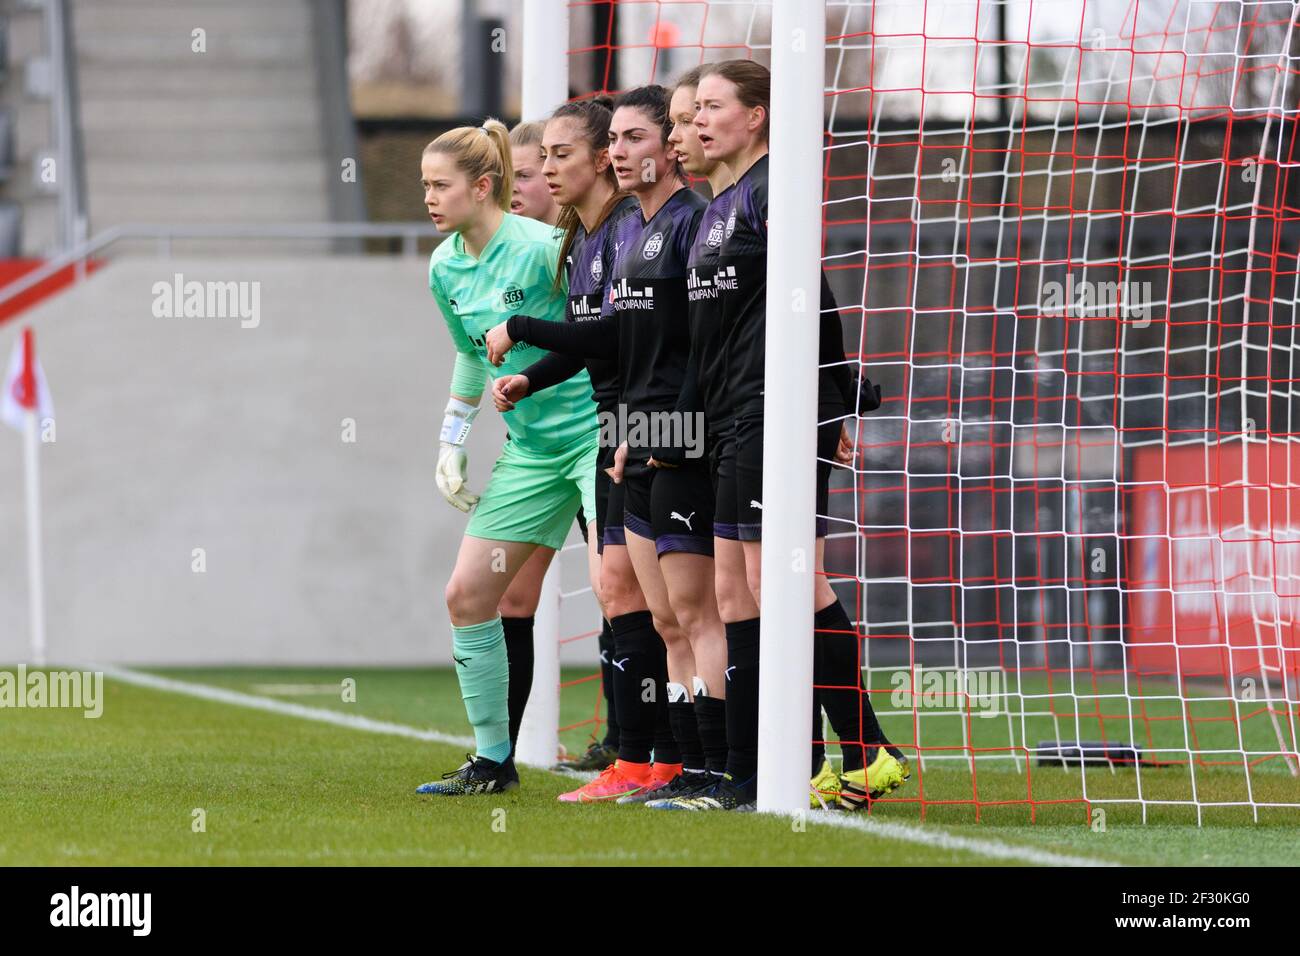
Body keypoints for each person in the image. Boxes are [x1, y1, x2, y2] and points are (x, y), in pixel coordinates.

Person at [658, 60, 908, 811]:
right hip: (733, 418)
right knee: (737, 591)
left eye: (710, 107)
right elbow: (707, 342)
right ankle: (771, 771)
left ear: (757, 115)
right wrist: (672, 428)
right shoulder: (715, 208)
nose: (695, 122)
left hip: (777, 411)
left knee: (782, 583)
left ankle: (839, 759)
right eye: (690, 110)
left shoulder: (772, 191)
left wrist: (835, 403)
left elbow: (816, 299)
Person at [414, 118, 601, 796]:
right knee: (469, 594)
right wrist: (452, 441)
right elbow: (469, 351)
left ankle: (661, 760)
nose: (429, 198)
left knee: (631, 593)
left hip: (597, 436)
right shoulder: (444, 266)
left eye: (441, 185)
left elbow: (598, 330)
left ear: (482, 186)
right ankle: (493, 762)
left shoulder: (546, 248)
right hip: (532, 452)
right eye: (425, 186)